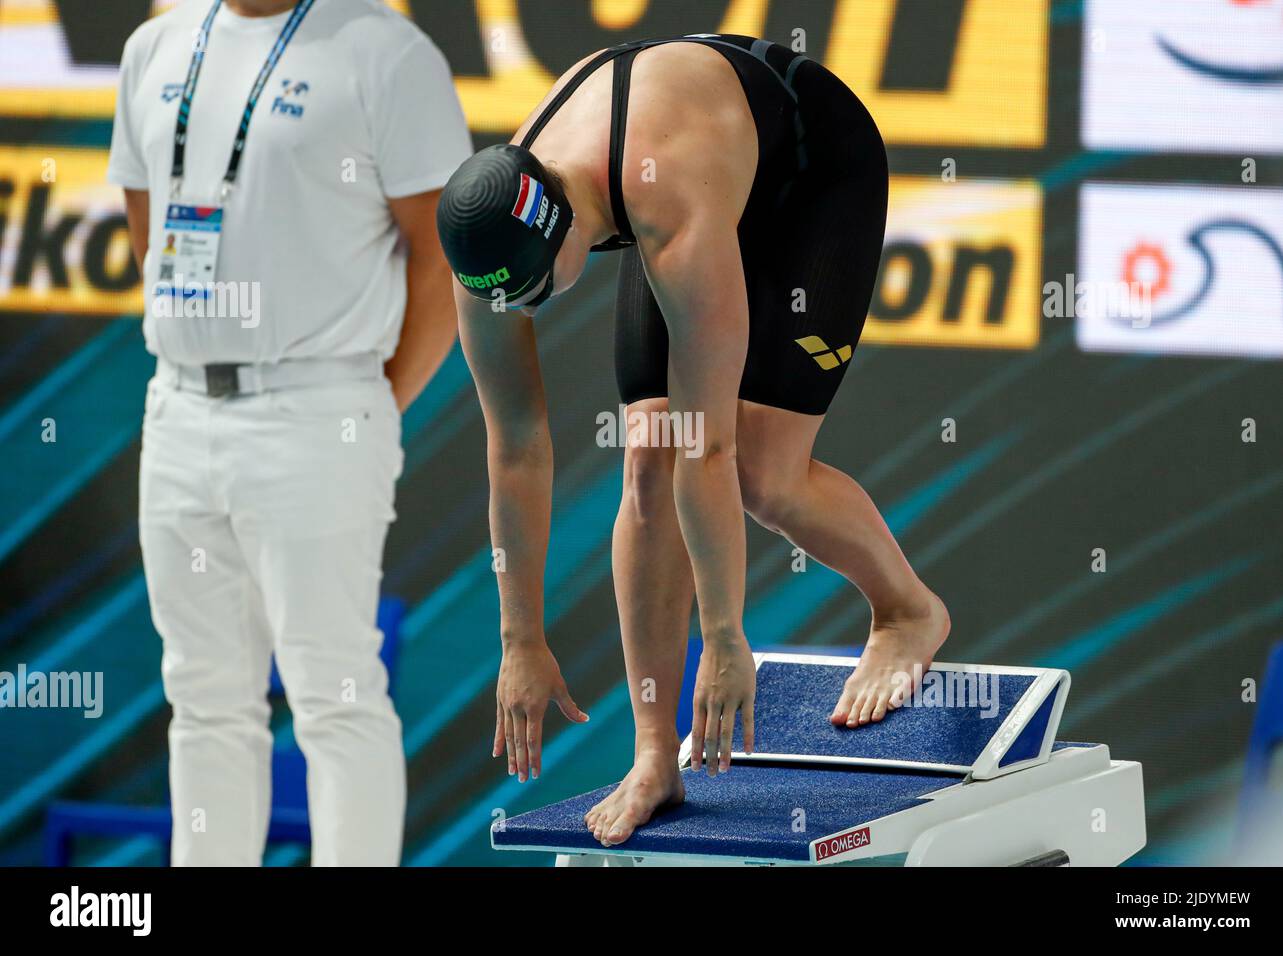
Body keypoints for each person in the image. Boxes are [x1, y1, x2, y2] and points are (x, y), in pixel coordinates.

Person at [438, 33, 948, 847]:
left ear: (567, 228)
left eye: (535, 293)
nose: (521, 313)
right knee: (645, 463)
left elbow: (705, 447)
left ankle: (907, 610)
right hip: (675, 158)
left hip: (807, 166)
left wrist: (725, 636)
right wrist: (521, 640)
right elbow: (516, 447)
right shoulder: (488, 255)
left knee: (761, 475)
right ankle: (651, 759)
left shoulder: (666, 203)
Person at [108, 0, 471, 865]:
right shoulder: (155, 46)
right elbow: (145, 217)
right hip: (180, 407)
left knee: (334, 694)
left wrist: (371, 402)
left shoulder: (383, 52)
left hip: (316, 411)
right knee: (202, 696)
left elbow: (444, 254)